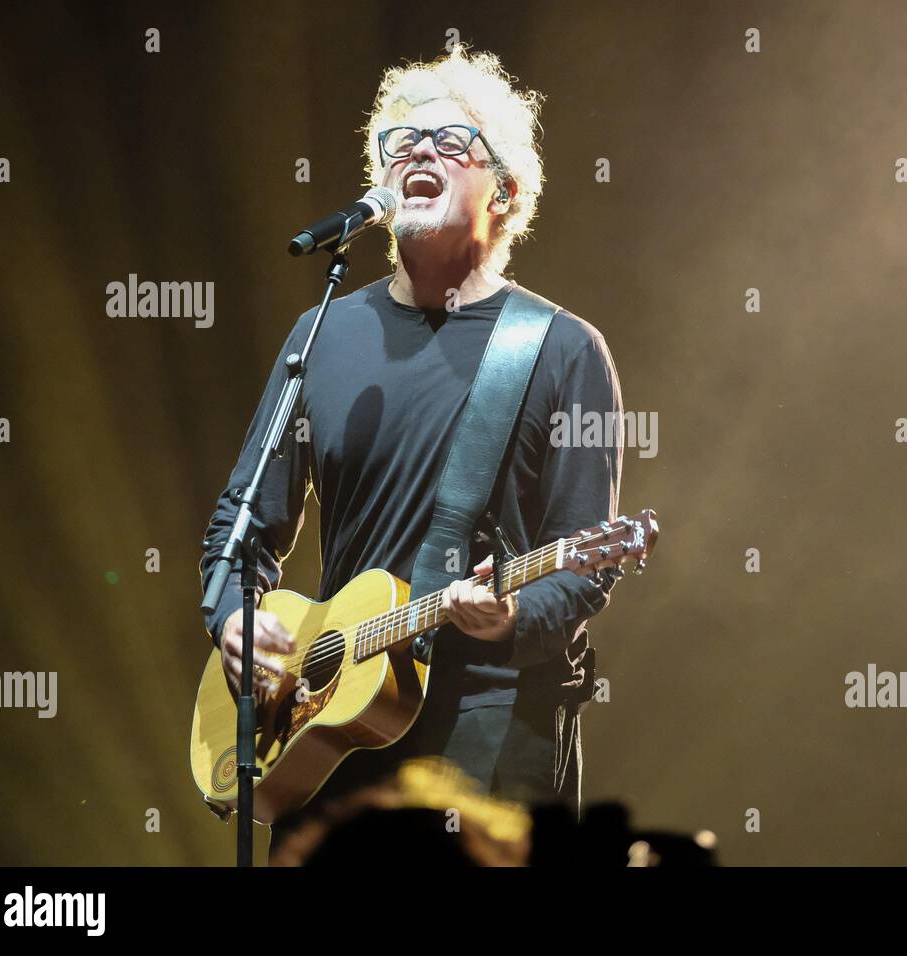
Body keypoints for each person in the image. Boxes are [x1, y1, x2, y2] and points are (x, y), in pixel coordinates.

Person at [197, 45, 624, 862]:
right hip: (330, 731)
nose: (418, 150)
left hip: (491, 732)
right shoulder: (324, 333)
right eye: (401, 142)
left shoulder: (564, 349)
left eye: (451, 140)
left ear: (503, 191)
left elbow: (585, 559)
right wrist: (233, 619)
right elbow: (244, 523)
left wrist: (509, 618)